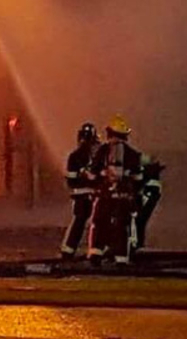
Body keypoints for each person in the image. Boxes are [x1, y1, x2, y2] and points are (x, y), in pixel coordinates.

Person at [92, 114, 144, 266]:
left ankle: (96, 254)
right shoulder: (133, 154)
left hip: (105, 195)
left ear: (109, 133)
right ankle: (121, 258)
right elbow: (138, 178)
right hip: (123, 197)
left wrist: (101, 178)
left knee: (100, 223)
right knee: (121, 225)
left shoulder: (102, 151)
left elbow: (92, 173)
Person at [59, 123, 104, 259]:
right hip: (94, 194)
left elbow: (70, 180)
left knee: (79, 222)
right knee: (99, 223)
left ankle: (68, 250)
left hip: (81, 195)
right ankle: (99, 250)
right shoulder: (97, 156)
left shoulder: (74, 156)